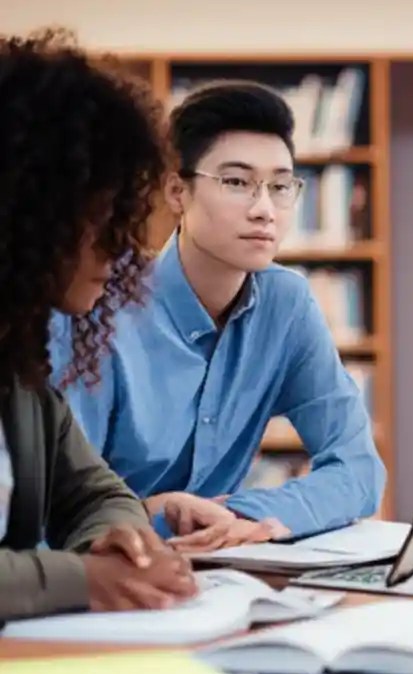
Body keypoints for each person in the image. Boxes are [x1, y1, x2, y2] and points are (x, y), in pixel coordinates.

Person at [50, 79, 386, 553]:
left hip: (221, 573)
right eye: (236, 182)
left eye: (281, 186)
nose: (264, 209)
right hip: (104, 575)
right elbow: (58, 506)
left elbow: (359, 469)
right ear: (176, 193)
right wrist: (167, 519)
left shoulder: (286, 305)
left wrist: (244, 517)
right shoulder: (97, 301)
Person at [0, 28, 196, 619]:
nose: (121, 247)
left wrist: (120, 542)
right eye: (101, 217)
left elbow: (95, 491)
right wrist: (82, 578)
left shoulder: (19, 366)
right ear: (28, 211)